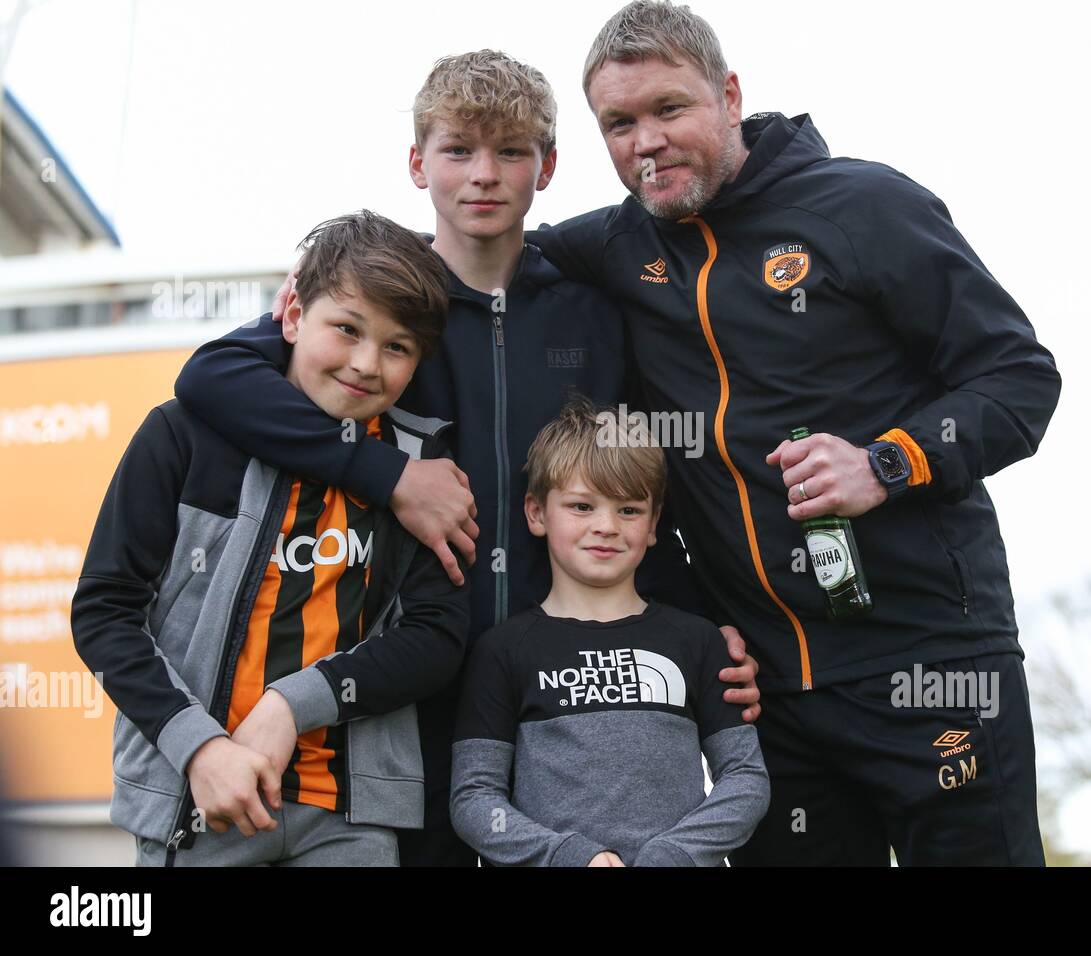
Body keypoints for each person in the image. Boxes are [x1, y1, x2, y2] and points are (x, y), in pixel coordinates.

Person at [172, 50, 761, 866]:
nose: (484, 176)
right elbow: (213, 375)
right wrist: (389, 475)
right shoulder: (382, 302)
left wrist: (702, 625)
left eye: (511, 152)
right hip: (400, 684)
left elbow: (645, 483)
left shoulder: (597, 309)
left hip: (559, 695)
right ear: (418, 164)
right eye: (458, 151)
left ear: (546, 166)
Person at [522, 0, 1063, 865]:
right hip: (767, 697)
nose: (645, 142)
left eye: (669, 109)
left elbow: (1020, 378)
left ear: (729, 95)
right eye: (618, 124)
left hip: (931, 664)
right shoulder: (613, 249)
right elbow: (456, 266)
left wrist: (889, 461)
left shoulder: (864, 203)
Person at [71, 211, 470, 866]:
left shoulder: (421, 475)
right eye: (347, 329)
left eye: (397, 347)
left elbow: (436, 637)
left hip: (349, 817)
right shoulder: (180, 436)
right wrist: (199, 747)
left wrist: (294, 702)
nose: (367, 364)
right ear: (291, 315)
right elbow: (104, 613)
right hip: (200, 806)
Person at [450, 397, 768, 866]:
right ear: (537, 513)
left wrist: (676, 852)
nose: (605, 526)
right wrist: (566, 856)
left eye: (628, 510)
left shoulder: (697, 640)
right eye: (582, 506)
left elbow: (746, 778)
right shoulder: (503, 649)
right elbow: (474, 797)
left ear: (654, 522)